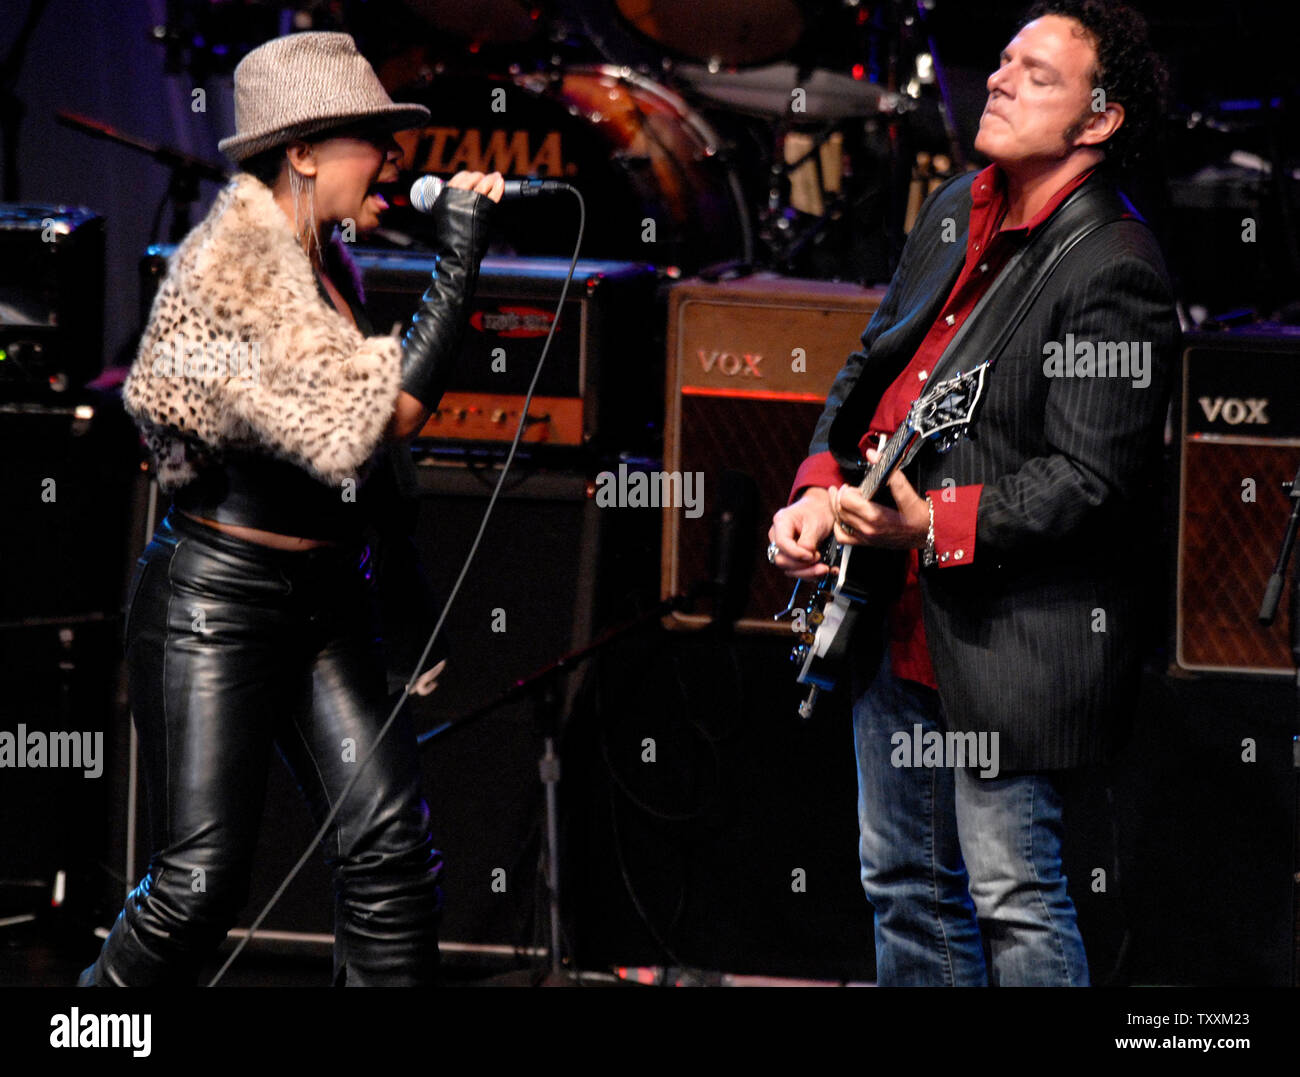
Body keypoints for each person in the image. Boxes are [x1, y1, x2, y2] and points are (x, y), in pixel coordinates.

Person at [78, 31, 504, 986]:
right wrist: (458, 264)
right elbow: (380, 416)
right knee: (197, 887)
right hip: (216, 605)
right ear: (302, 151)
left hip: (323, 597)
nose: (390, 160)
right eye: (369, 139)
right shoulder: (236, 263)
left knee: (392, 856)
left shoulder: (323, 262)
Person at [768, 0, 1177, 985]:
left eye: (1037, 74)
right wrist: (824, 484)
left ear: (1098, 119)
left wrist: (928, 522)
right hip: (892, 616)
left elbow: (1091, 482)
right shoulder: (957, 206)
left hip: (1009, 638)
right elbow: (873, 368)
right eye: (1001, 62)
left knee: (1011, 898)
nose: (996, 80)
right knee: (902, 884)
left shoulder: (1115, 269)